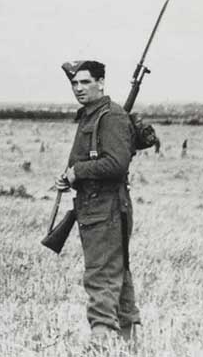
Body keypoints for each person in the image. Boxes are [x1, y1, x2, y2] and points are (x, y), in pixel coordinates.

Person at [56, 60, 140, 348]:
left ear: (101, 82)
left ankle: (100, 343)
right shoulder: (92, 114)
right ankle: (130, 343)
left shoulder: (111, 116)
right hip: (96, 206)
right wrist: (70, 177)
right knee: (117, 273)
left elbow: (116, 164)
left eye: (85, 82)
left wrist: (78, 171)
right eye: (74, 83)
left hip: (107, 208)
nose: (78, 88)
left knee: (101, 274)